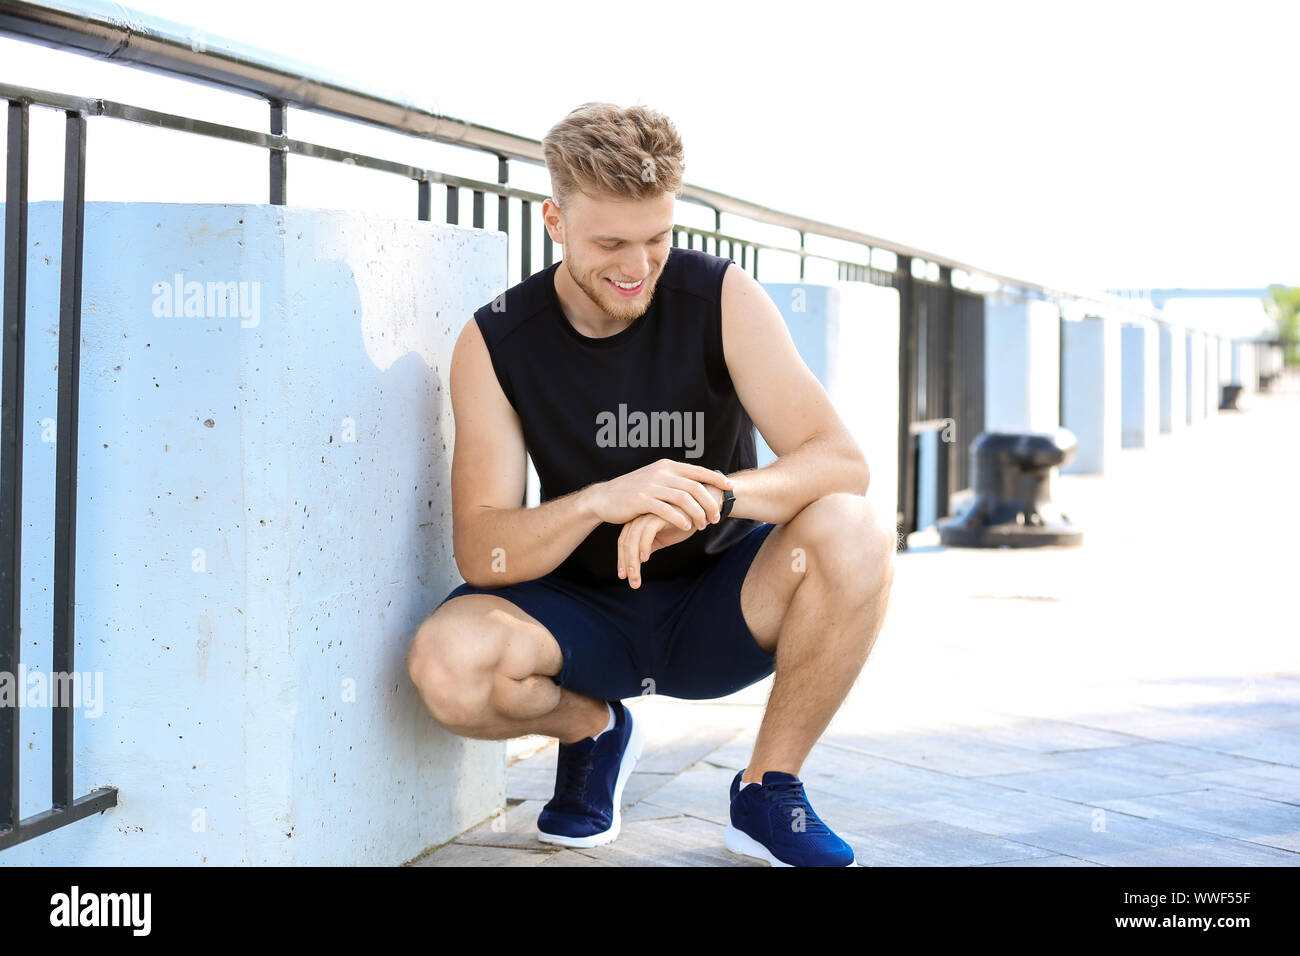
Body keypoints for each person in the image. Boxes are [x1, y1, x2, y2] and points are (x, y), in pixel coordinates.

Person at [405, 102, 895, 867]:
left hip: (723, 602)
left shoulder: (723, 297)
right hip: (582, 616)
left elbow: (839, 462)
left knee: (856, 526)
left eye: (657, 240)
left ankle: (768, 789)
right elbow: (483, 550)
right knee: (447, 663)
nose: (637, 269)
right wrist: (603, 499)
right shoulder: (496, 339)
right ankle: (592, 730)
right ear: (555, 222)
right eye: (610, 243)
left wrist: (715, 499)